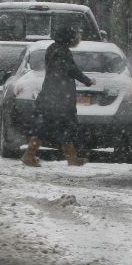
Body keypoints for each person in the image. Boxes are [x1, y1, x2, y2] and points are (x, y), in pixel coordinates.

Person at [22, 26, 95, 167]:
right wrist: (87, 80)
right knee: (54, 127)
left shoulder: (53, 48)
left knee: (62, 127)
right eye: (74, 37)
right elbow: (71, 69)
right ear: (68, 38)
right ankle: (29, 155)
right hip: (58, 97)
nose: (76, 40)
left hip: (54, 95)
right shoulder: (61, 52)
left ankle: (71, 158)